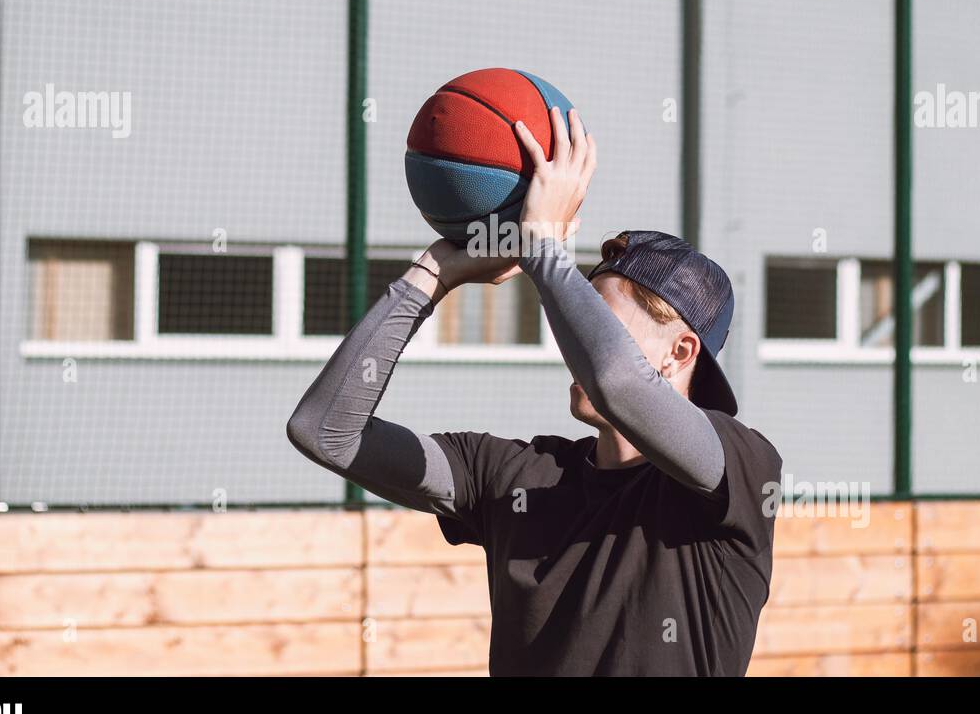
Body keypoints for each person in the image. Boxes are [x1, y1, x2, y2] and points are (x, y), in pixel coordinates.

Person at [287, 107, 782, 675]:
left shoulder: (739, 470)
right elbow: (324, 431)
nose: (572, 342)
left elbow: (617, 381)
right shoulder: (513, 476)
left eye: (601, 322)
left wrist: (544, 248)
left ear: (681, 352)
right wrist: (434, 274)